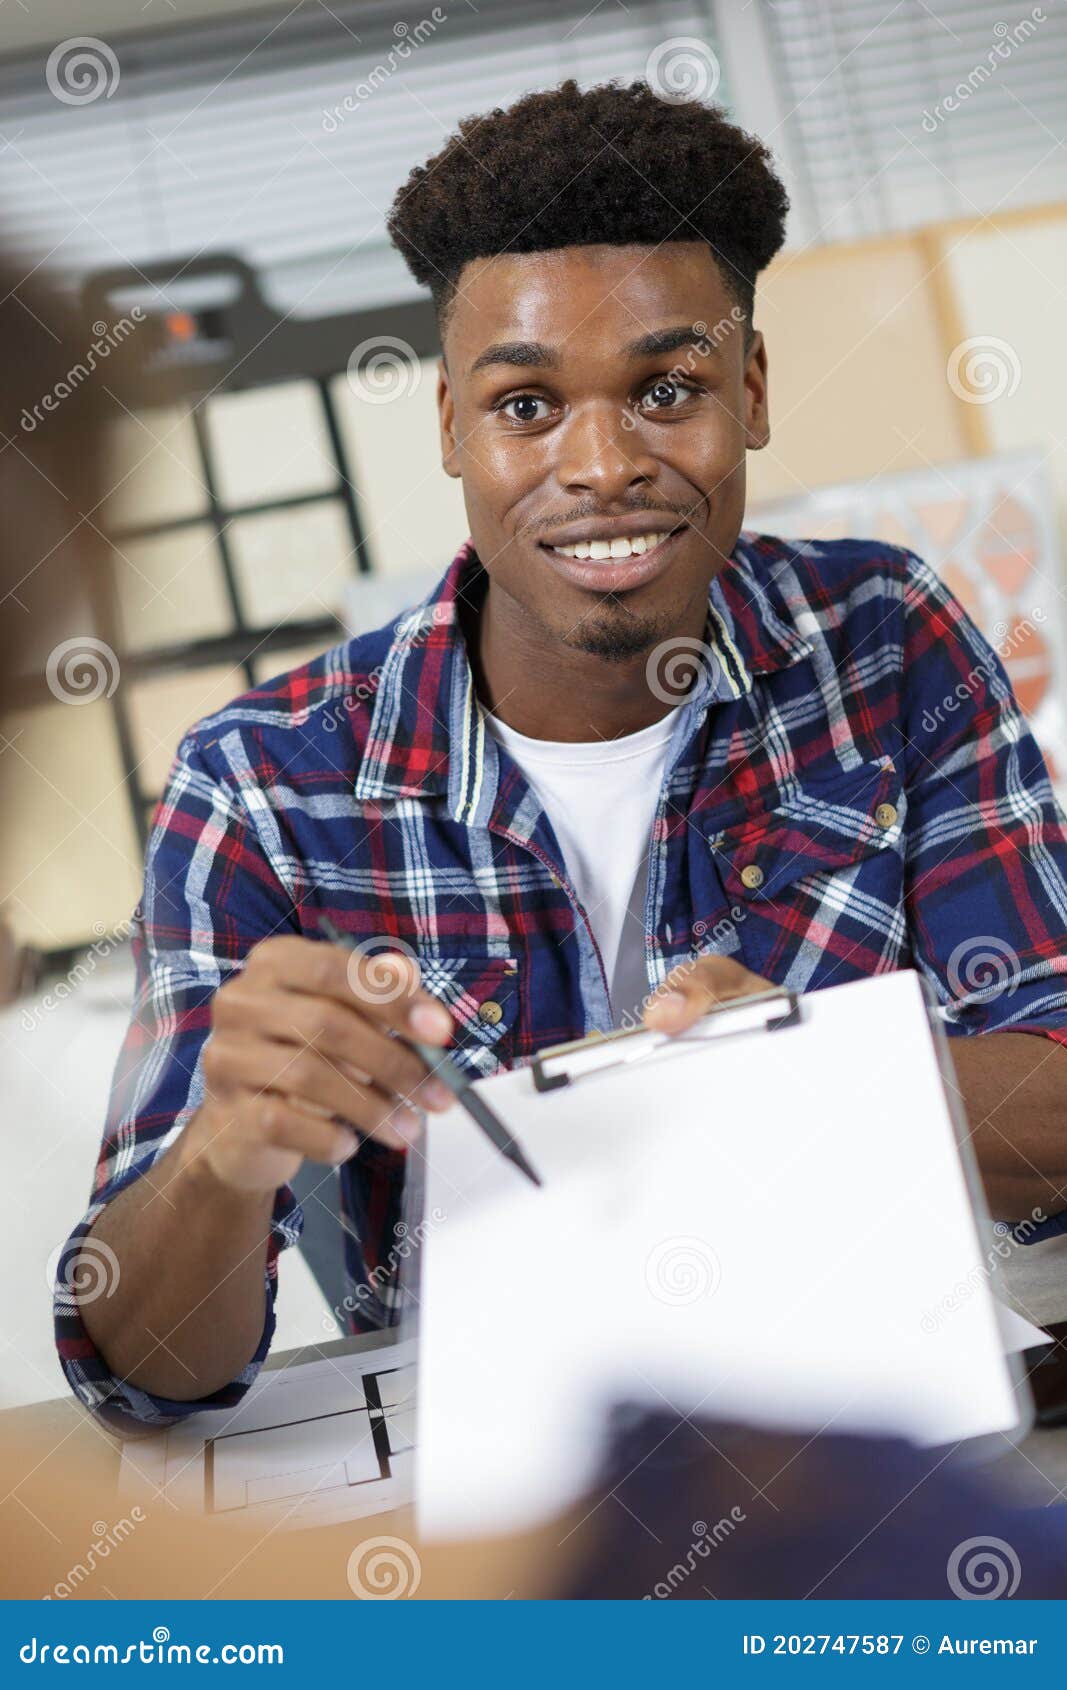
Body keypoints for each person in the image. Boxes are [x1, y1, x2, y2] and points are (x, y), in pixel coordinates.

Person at [55, 78, 1067, 1429]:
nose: (600, 463)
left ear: (751, 390)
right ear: (450, 427)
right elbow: (137, 1370)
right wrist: (224, 1155)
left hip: (866, 1418)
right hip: (487, 1496)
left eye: (666, 388)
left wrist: (825, 1076)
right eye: (526, 406)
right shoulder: (260, 785)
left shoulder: (882, 640)